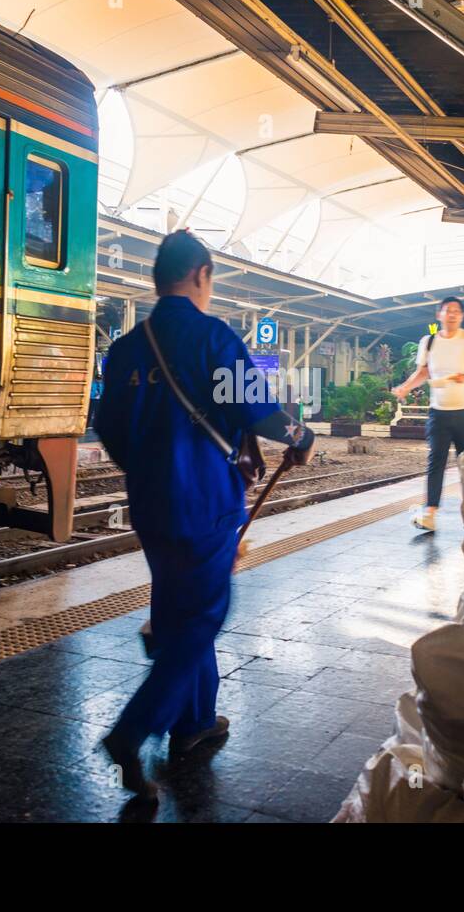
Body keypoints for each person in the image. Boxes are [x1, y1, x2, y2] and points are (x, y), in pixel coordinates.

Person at [93, 230, 316, 800]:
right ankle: (132, 730)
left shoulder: (124, 349)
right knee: (201, 620)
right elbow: (255, 408)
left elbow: (110, 429)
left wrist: (147, 469)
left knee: (174, 607)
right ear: (201, 275)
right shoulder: (213, 337)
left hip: (149, 502)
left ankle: (193, 722)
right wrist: (300, 434)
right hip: (205, 501)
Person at [392, 296, 464, 531]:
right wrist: (406, 387)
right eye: (448, 311)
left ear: (462, 316)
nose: (452, 314)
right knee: (435, 461)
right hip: (439, 412)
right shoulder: (429, 342)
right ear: (439, 315)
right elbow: (423, 372)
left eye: (457, 311)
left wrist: (462, 378)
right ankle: (430, 513)